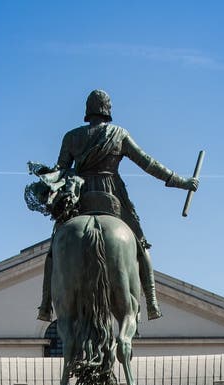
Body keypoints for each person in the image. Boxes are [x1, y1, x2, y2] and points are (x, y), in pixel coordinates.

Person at [33, 90, 199, 323]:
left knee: (54, 252)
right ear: (108, 110)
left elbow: (61, 170)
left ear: (88, 111)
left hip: (79, 197)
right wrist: (179, 181)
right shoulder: (119, 134)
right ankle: (151, 302)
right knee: (141, 246)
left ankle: (45, 306)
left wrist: (48, 181)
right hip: (112, 196)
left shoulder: (71, 137)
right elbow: (148, 163)